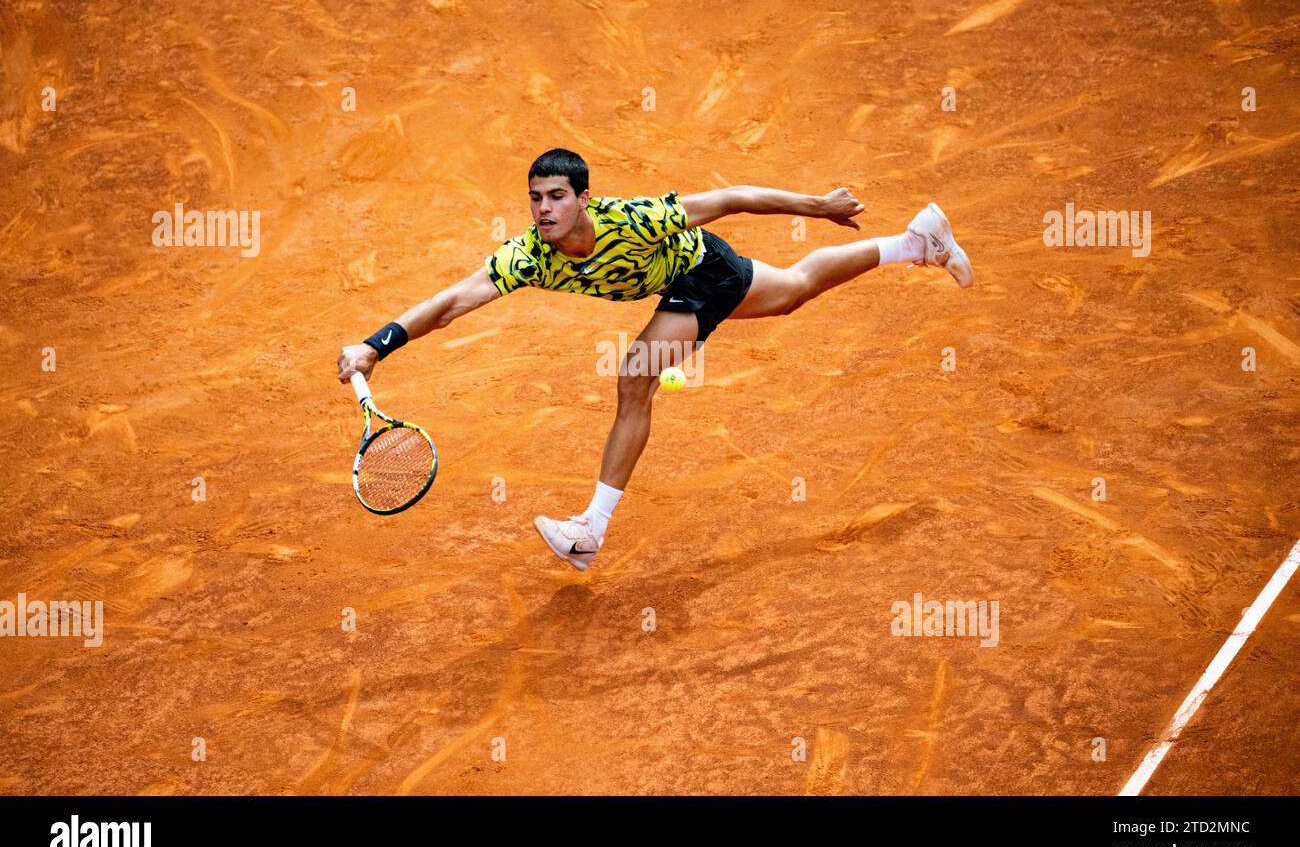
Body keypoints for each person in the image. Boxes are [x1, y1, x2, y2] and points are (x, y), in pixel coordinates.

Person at [336, 148, 972, 569]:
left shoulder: (632, 220)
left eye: (556, 196)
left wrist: (818, 206)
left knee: (636, 376)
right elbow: (453, 300)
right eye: (535, 198)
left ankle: (590, 529)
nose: (544, 209)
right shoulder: (529, 255)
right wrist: (376, 344)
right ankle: (916, 242)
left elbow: (730, 197)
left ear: (585, 198)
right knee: (795, 290)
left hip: (705, 271)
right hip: (683, 285)